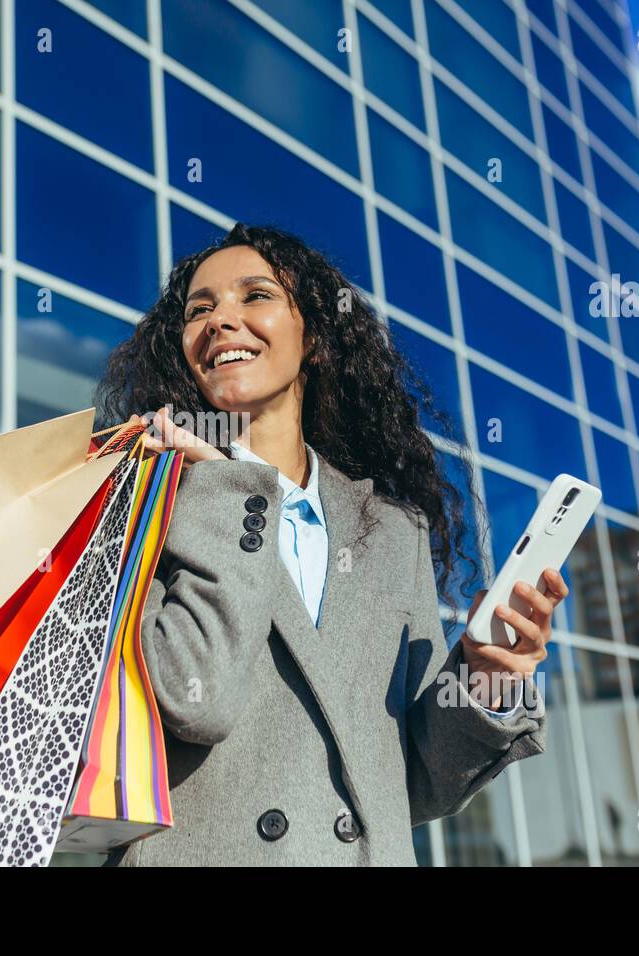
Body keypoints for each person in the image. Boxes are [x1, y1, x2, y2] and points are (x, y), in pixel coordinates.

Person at [93, 223, 566, 866]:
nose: (220, 321)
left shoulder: (392, 532)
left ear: (311, 338)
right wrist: (227, 494)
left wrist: (483, 680)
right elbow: (196, 698)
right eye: (199, 309)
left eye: (253, 296)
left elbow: (410, 785)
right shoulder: (143, 506)